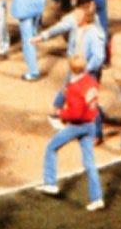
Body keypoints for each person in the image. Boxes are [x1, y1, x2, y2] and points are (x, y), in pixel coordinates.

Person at [41, 64, 107, 209]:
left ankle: (50, 183)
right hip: (90, 125)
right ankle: (97, 198)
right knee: (89, 162)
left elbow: (75, 114)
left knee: (51, 147)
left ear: (71, 69)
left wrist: (59, 114)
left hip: (77, 126)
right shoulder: (91, 81)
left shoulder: (74, 87)